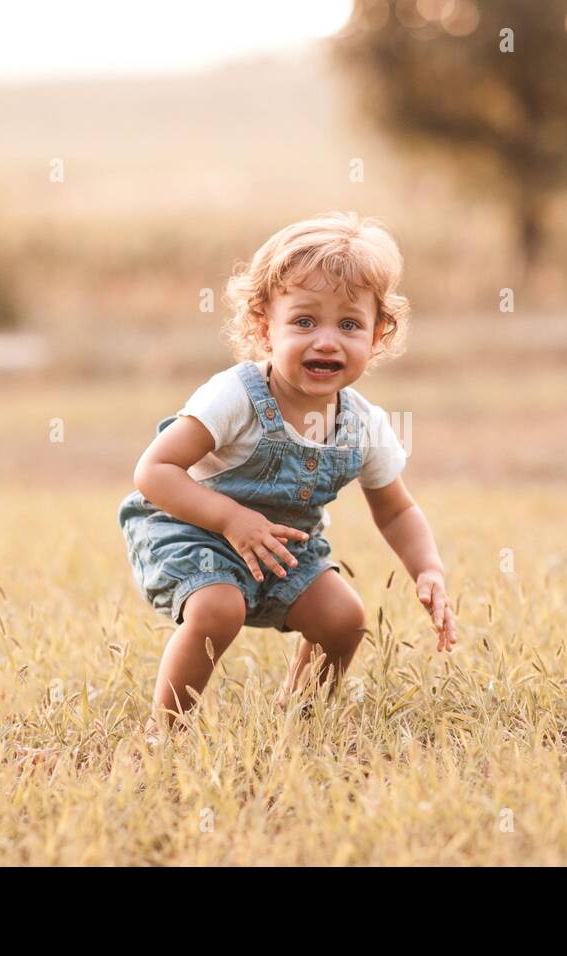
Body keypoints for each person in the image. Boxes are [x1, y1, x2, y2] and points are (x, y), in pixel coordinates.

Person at [118, 211, 457, 745]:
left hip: (283, 552)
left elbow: (396, 509)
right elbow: (153, 472)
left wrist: (428, 568)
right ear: (263, 328)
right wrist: (231, 519)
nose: (327, 341)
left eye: (349, 325)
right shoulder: (234, 397)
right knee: (217, 606)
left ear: (378, 335)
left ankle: (301, 724)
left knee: (344, 618)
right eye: (304, 322)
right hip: (191, 530)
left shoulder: (363, 424)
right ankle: (164, 732)